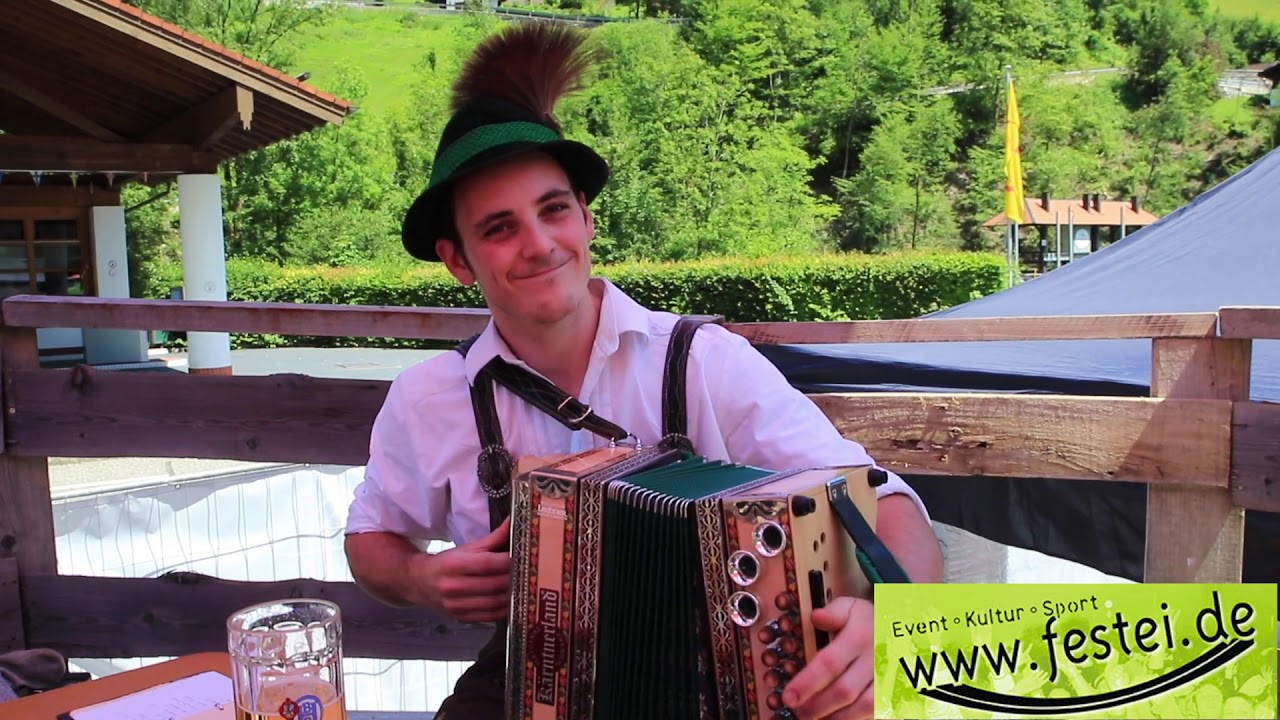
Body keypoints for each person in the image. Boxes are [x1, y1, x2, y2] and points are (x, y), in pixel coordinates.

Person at [343, 23, 943, 720]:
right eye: (499, 228)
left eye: (553, 210)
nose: (539, 245)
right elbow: (371, 538)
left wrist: (894, 622)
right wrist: (420, 578)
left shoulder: (700, 362)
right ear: (457, 260)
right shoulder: (431, 398)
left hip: (721, 685)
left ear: (587, 220)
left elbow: (889, 504)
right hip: (527, 683)